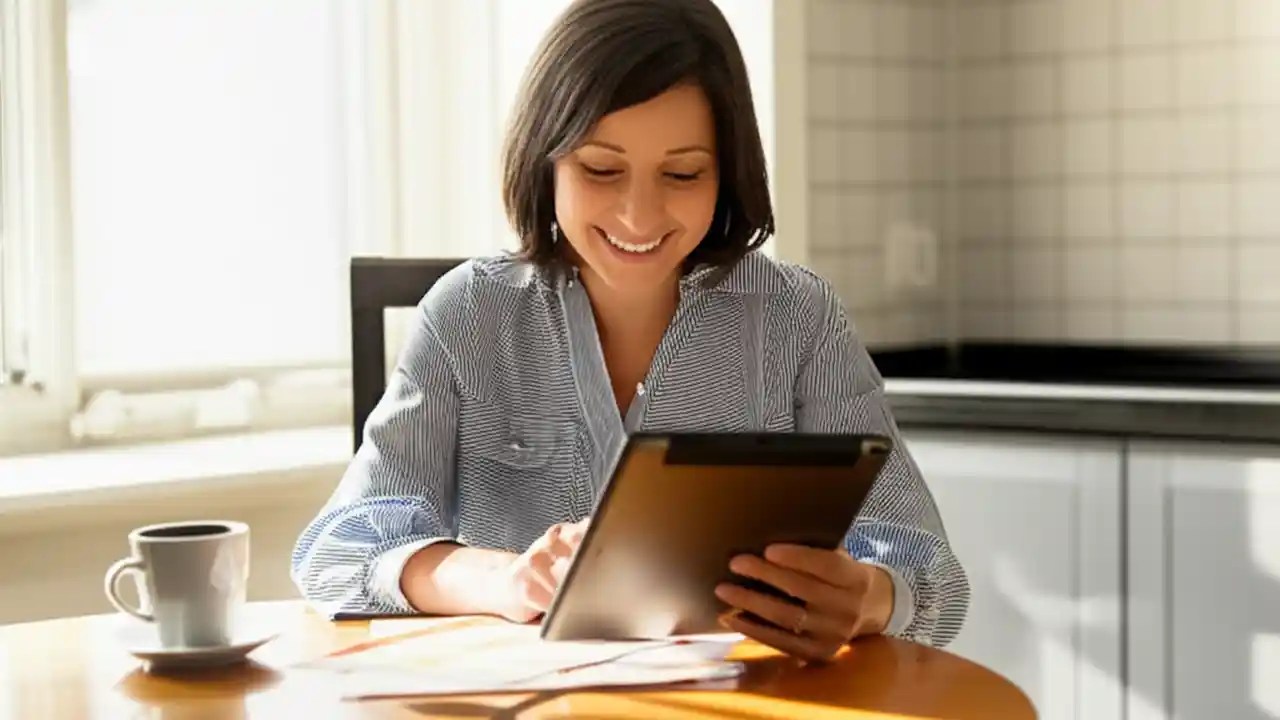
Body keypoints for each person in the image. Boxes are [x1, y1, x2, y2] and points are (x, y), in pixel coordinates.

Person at [292, 0, 969, 661]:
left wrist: (869, 597)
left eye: (682, 173)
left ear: (726, 174)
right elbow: (340, 550)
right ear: (545, 160)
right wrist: (502, 579)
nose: (639, 216)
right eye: (600, 169)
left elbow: (932, 576)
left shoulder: (799, 319)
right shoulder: (468, 315)